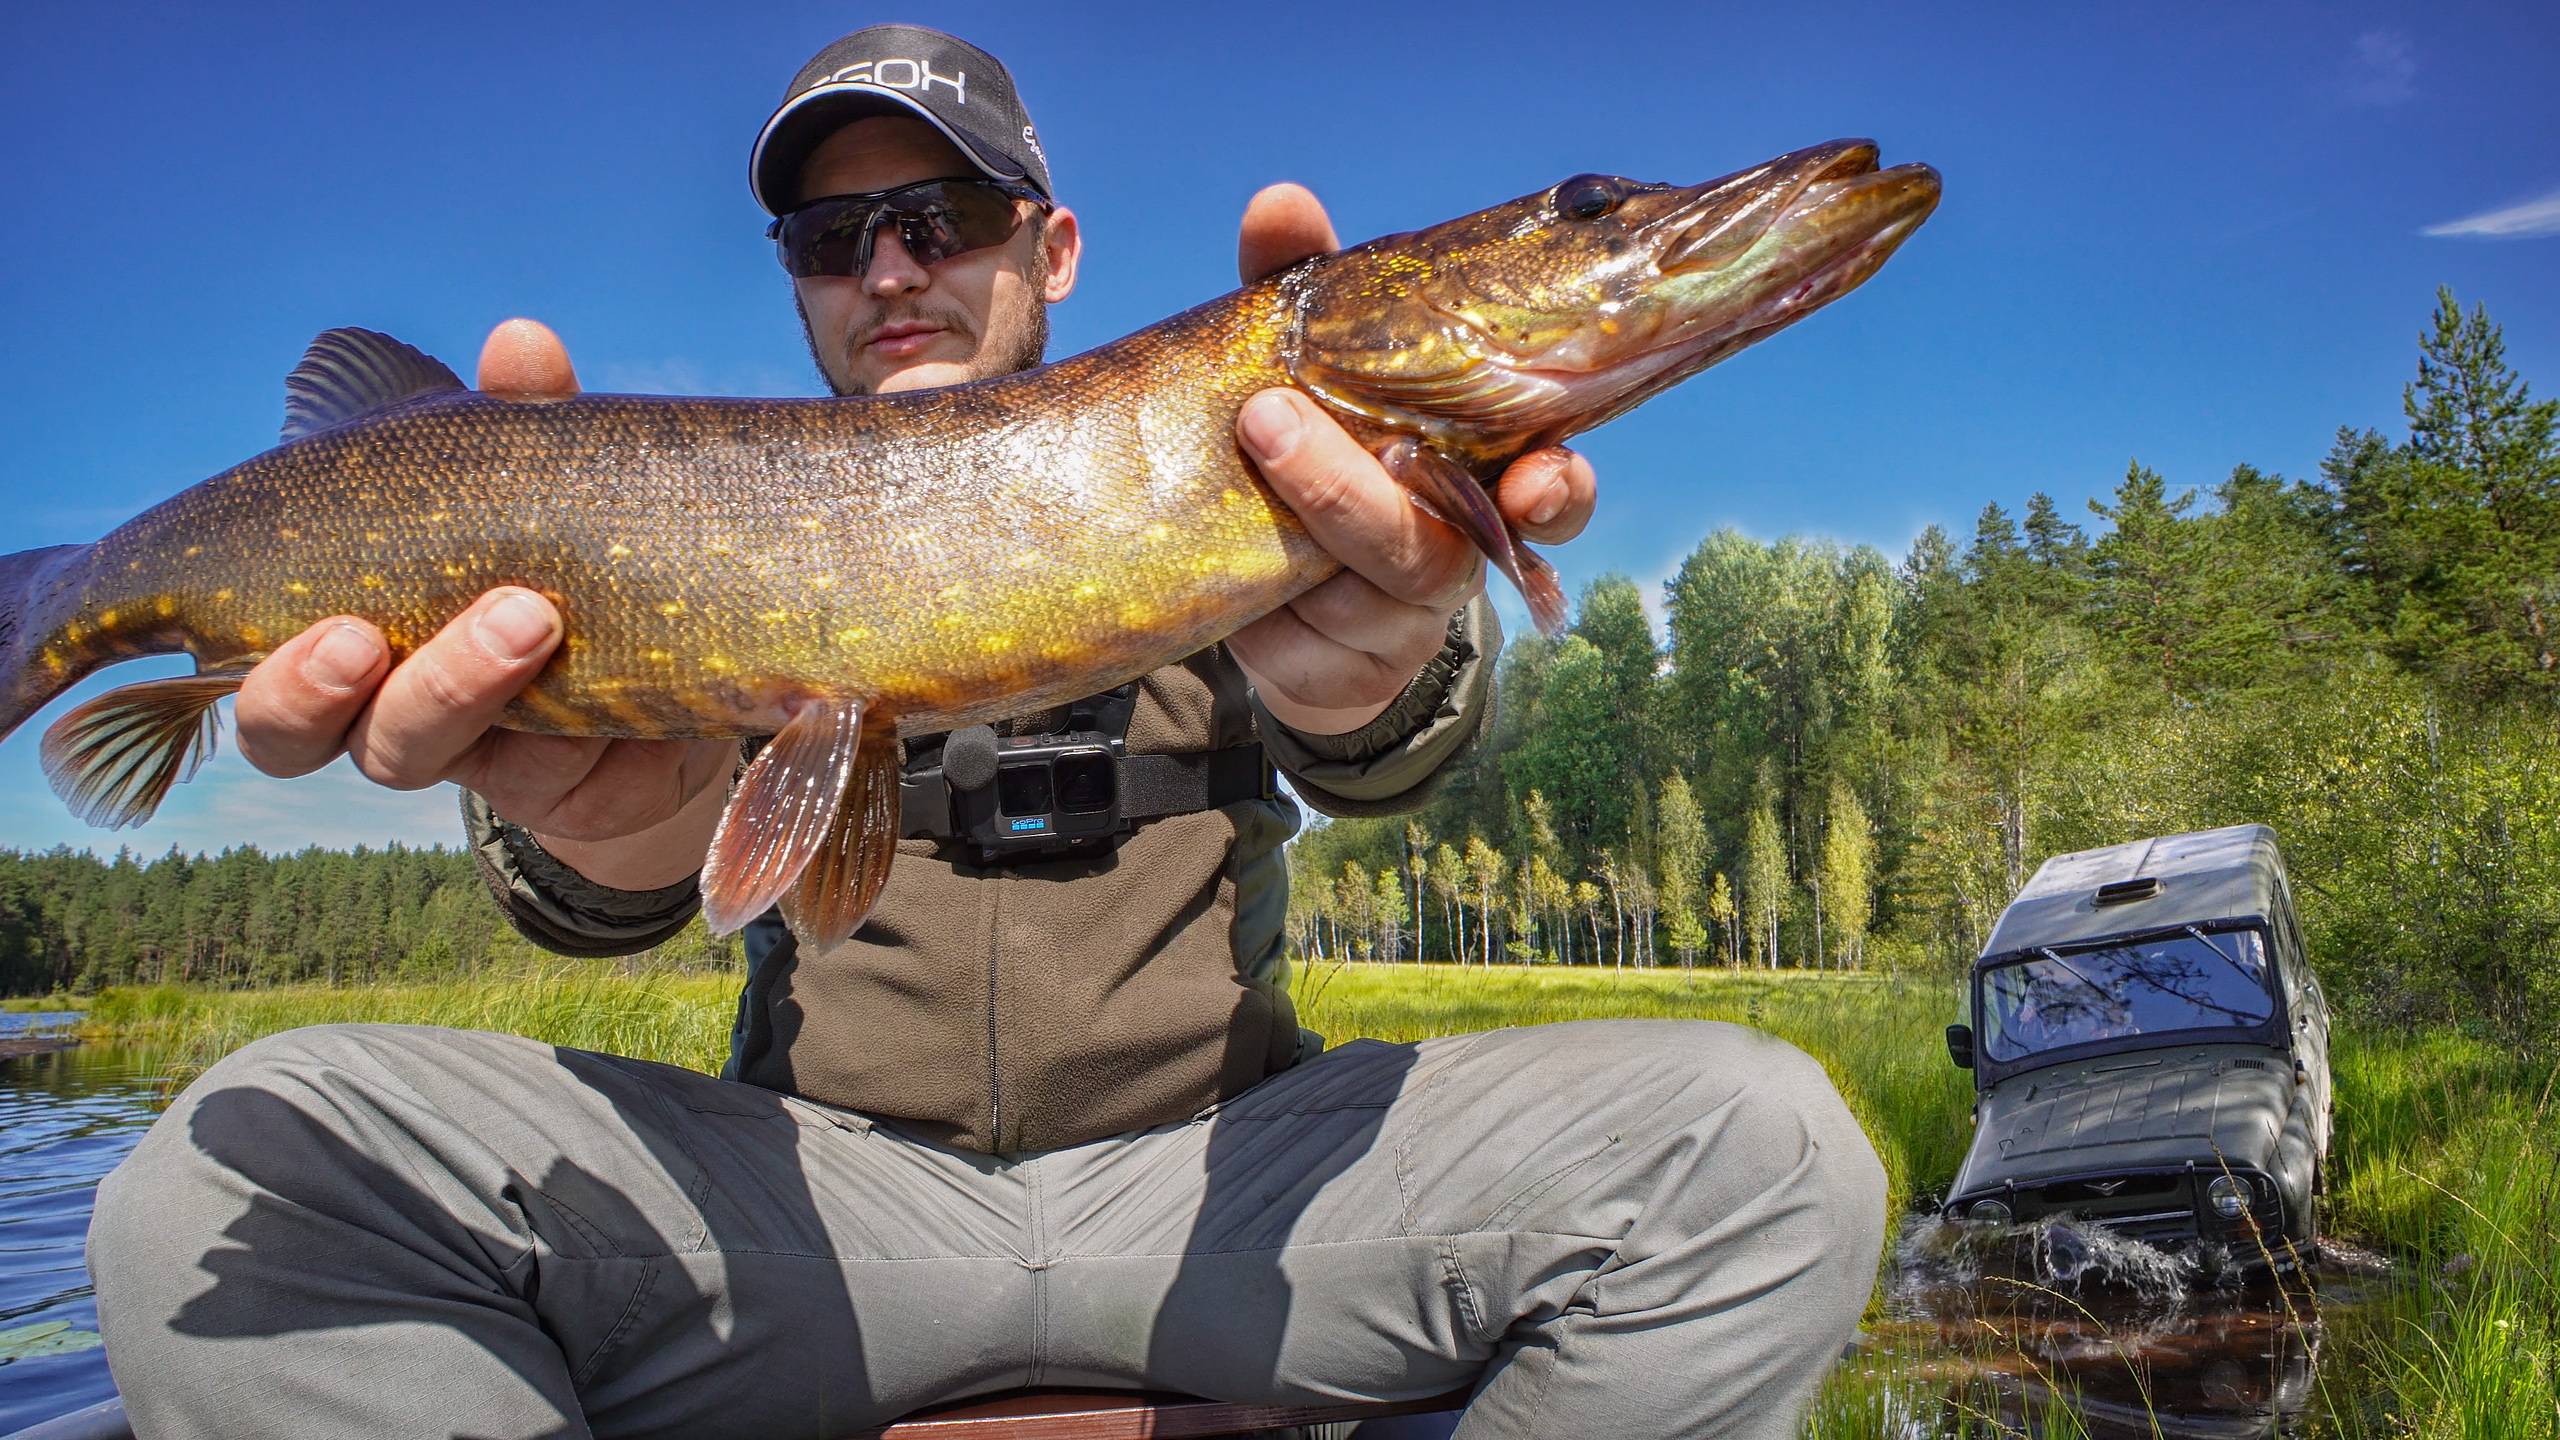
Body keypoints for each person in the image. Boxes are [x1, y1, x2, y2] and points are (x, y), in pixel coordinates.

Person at [87, 25, 1886, 1439]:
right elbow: (605, 899)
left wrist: (1390, 659)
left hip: (1232, 1205)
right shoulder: (693, 528)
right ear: (794, 278)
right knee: (236, 1162)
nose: (891, 267)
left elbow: (1391, 745)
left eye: (943, 219)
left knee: (1764, 1143)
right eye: (833, 234)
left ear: (1057, 244)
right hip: (811, 1216)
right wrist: (615, 839)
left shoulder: (1283, 445)